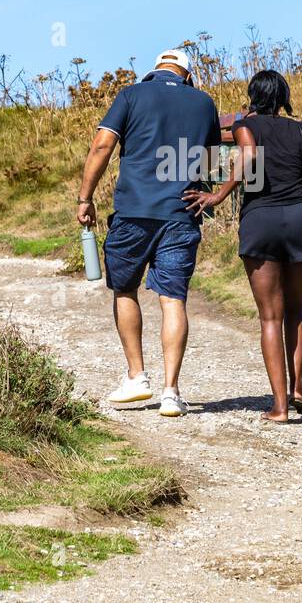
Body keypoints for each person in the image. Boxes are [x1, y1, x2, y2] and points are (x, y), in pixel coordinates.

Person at [183, 70, 302, 422]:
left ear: (252, 96)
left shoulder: (245, 126)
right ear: (283, 97)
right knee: (296, 310)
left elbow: (249, 154)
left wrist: (219, 193)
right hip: (301, 218)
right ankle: (298, 387)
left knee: (271, 315)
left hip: (261, 220)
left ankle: (280, 408)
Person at [76, 47, 221, 417]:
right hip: (180, 213)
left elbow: (102, 145)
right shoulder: (204, 103)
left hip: (133, 212)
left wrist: (85, 198)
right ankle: (171, 392)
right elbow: (212, 161)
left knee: (125, 288)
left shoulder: (130, 95)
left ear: (155, 70)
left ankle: (137, 377)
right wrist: (206, 191)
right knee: (173, 298)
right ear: (187, 75)